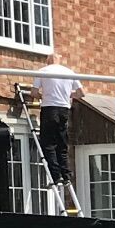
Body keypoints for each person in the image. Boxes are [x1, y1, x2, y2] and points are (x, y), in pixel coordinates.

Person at [33, 63, 84, 216]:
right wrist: (68, 95)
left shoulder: (43, 71)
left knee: (48, 143)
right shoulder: (69, 71)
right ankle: (66, 175)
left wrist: (44, 96)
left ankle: (56, 176)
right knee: (62, 144)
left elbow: (34, 92)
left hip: (49, 108)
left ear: (48, 61)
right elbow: (81, 93)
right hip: (64, 110)